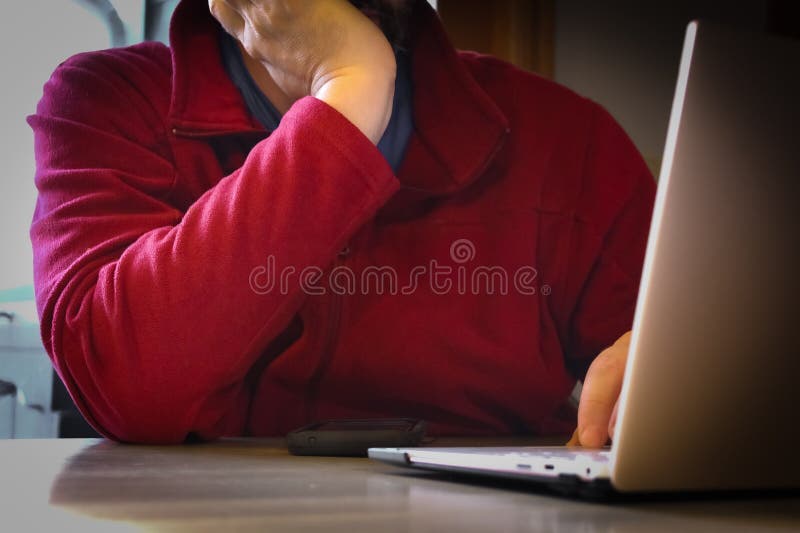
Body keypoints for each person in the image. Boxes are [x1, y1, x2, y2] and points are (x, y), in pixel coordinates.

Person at [28, 0, 655, 445]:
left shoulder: (568, 139)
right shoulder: (105, 102)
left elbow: (689, 375)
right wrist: (347, 93)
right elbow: (127, 387)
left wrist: (665, 376)